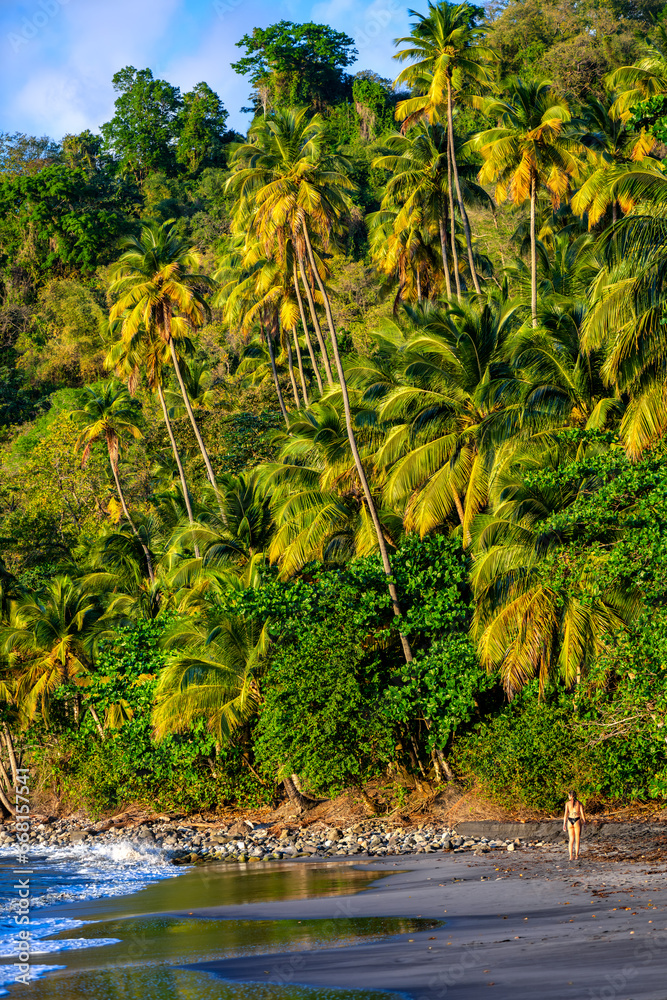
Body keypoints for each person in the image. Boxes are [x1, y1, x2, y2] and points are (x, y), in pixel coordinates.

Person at [562, 790, 586, 861]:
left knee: (571, 839)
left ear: (571, 796)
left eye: (568, 795)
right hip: (577, 820)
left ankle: (570, 856)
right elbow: (582, 814)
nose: (568, 797)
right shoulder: (579, 803)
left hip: (569, 820)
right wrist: (584, 823)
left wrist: (564, 824)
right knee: (577, 839)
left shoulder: (567, 803)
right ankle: (576, 856)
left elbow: (565, 814)